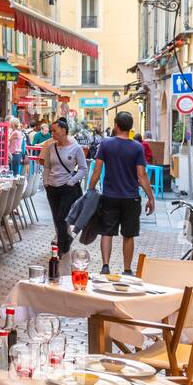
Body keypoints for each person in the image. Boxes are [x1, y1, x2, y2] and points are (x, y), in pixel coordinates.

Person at [87, 110, 156, 274]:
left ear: (116, 126)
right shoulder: (137, 147)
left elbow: (96, 170)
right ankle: (127, 269)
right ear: (130, 128)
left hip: (110, 196)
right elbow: (142, 174)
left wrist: (90, 189)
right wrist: (150, 197)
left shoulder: (105, 144)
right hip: (131, 197)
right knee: (128, 234)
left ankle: (105, 266)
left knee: (107, 232)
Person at [40, 118, 87, 256]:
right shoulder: (51, 147)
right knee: (56, 218)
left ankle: (61, 248)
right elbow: (47, 166)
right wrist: (46, 182)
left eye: (54, 130)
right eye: (51, 130)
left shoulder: (75, 148)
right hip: (52, 188)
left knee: (61, 217)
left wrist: (72, 181)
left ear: (63, 130)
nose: (52, 133)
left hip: (68, 188)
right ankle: (65, 242)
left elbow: (83, 169)